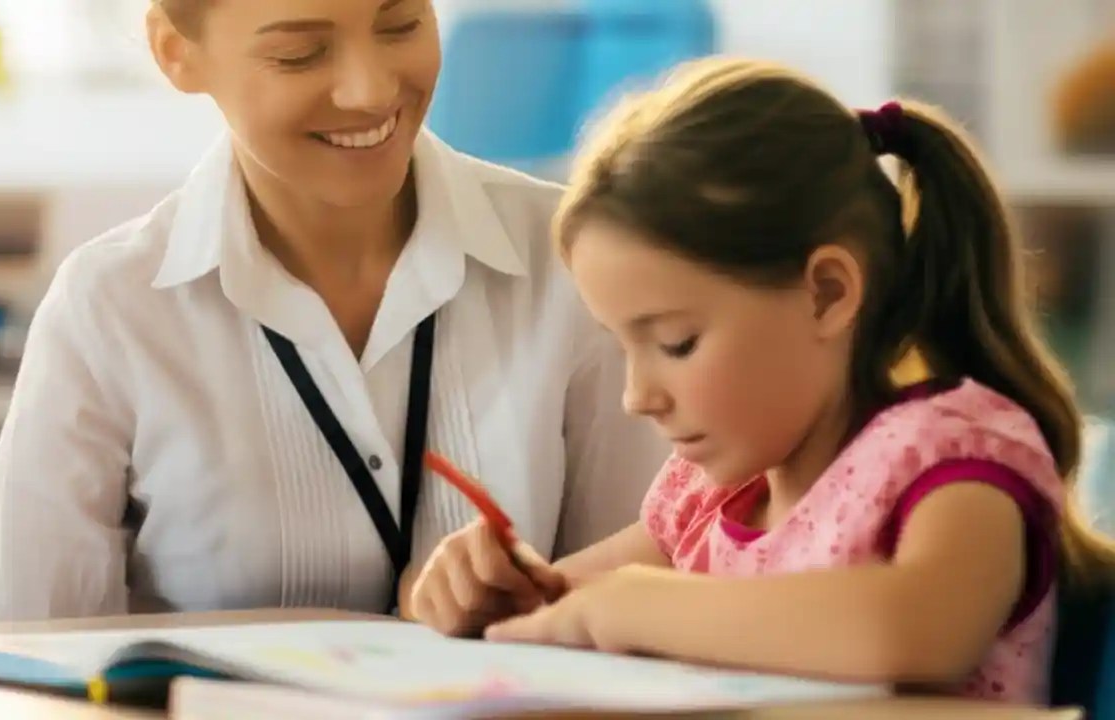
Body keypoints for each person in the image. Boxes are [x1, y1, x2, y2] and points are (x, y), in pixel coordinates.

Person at [407, 57, 1115, 704]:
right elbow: (563, 603)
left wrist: (631, 606)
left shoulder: (950, 457)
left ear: (827, 294)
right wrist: (484, 592)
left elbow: (915, 631)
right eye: (622, 346)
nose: (636, 396)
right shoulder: (702, 501)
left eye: (675, 343)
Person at [0, 0, 667, 621]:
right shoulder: (109, 307)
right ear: (177, 53)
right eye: (299, 52)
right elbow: (25, 658)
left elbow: (651, 592)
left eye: (401, 25)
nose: (369, 91)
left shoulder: (571, 261)